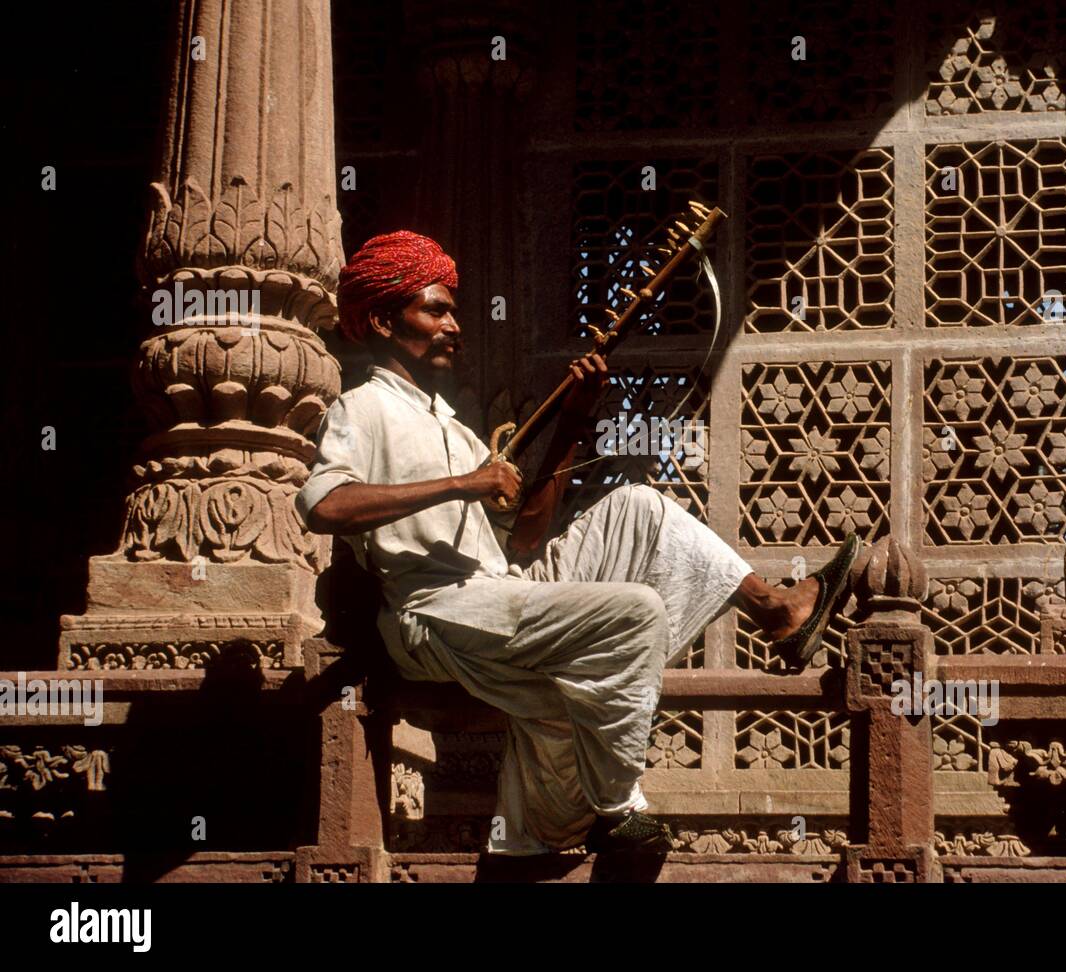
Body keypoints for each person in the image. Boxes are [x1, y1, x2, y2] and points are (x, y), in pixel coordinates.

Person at [296, 230, 860, 854]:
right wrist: (463, 483)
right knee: (633, 611)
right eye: (436, 309)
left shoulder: (450, 425)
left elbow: (527, 541)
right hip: (432, 612)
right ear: (380, 319)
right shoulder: (363, 407)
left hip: (497, 591)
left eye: (454, 310)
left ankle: (777, 610)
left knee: (640, 508)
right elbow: (324, 504)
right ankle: (617, 808)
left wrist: (573, 420)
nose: (455, 325)